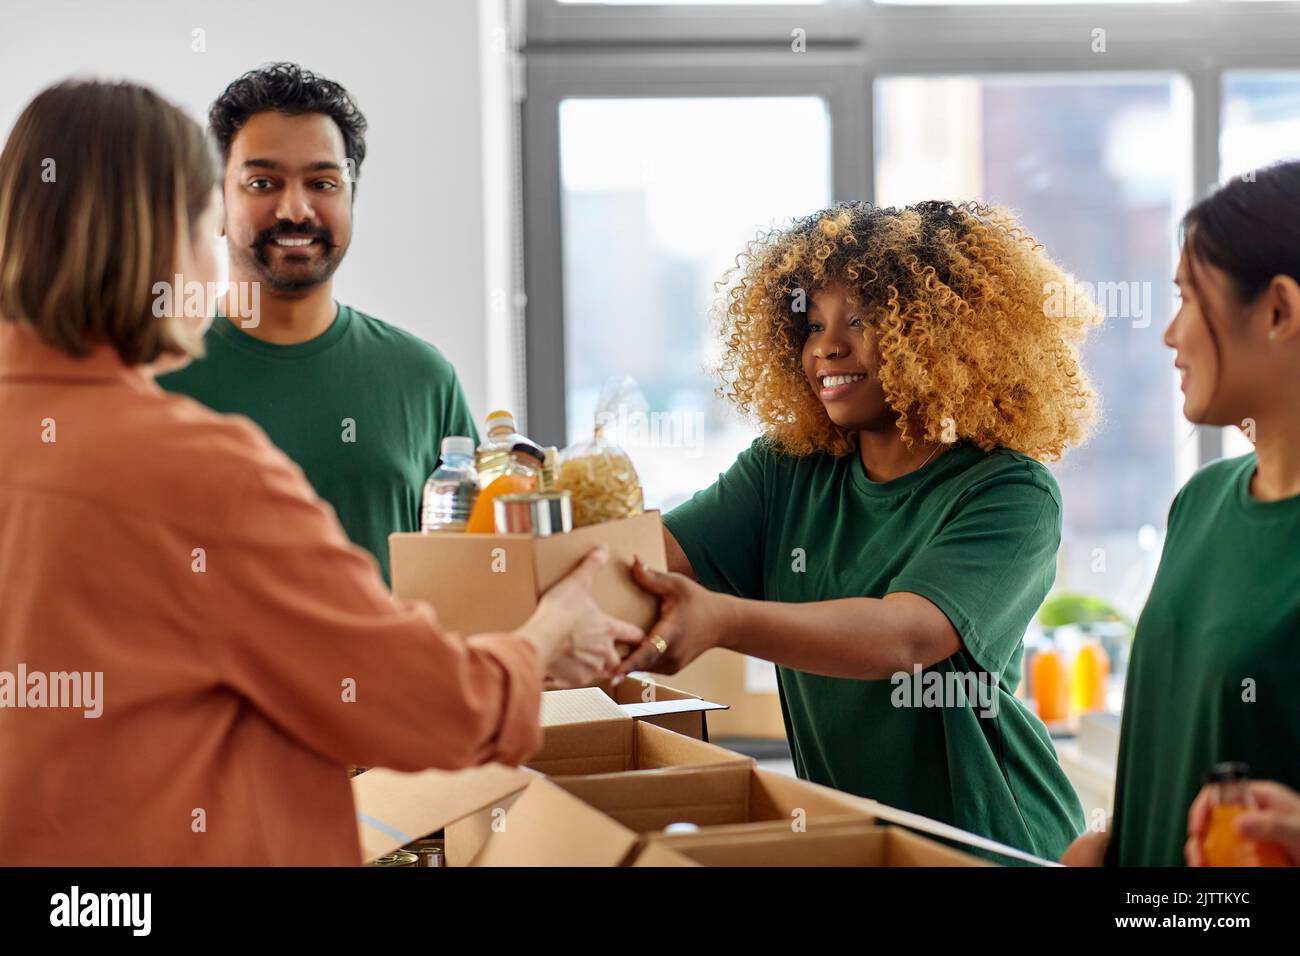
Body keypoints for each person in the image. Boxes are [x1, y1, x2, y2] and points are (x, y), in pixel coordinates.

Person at [0, 79, 638, 866]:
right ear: (169, 236)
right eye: (223, 205)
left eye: (323, 182)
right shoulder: (197, 467)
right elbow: (413, 697)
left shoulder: (412, 374)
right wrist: (544, 643)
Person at [617, 200, 1100, 860]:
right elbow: (646, 562)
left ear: (938, 335)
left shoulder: (1007, 491)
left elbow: (904, 638)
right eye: (812, 325)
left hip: (991, 846)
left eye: (860, 321)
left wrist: (725, 621)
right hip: (859, 846)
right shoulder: (786, 470)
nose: (827, 348)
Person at [1063, 161, 1300, 867]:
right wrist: (1116, 848)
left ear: (1280, 311)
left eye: (1186, 299)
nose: (1170, 335)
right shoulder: (1199, 505)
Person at [159, 63, 473, 584]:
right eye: (263, 182)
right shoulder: (154, 373)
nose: (296, 209)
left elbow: (474, 577)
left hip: (389, 668)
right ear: (215, 204)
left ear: (351, 200)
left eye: (323, 182)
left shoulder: (423, 377)